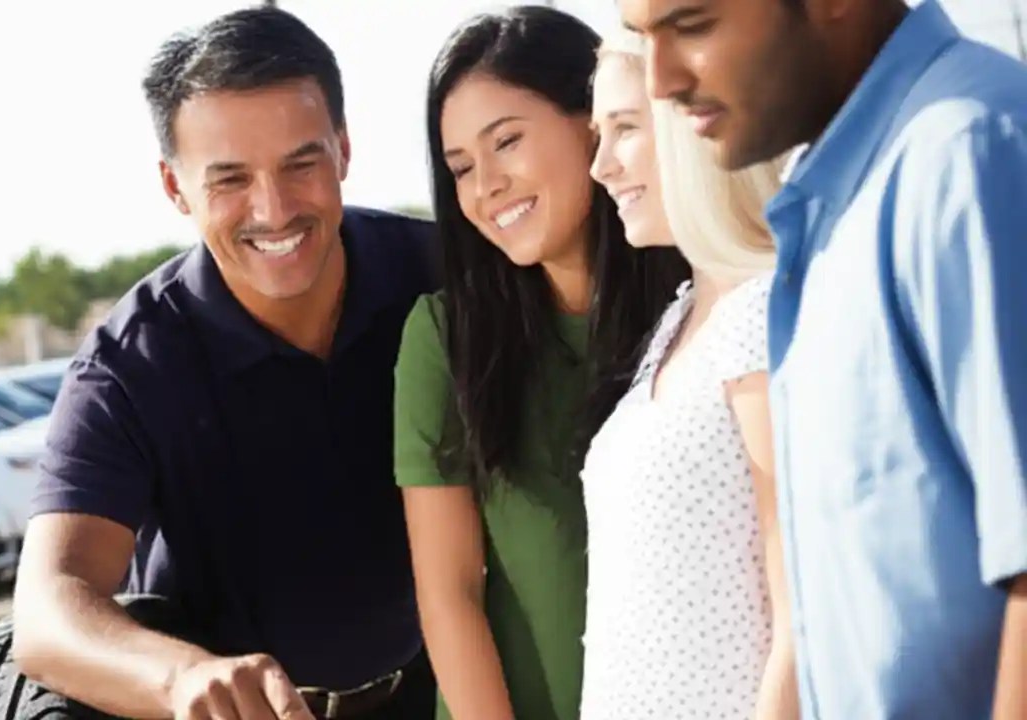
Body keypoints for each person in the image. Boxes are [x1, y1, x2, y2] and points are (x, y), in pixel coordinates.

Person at [7, 7, 440, 719]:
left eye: (301, 164)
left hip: (446, 695)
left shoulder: (441, 275)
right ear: (175, 188)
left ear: (344, 151)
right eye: (229, 179)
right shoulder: (128, 367)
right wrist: (181, 678)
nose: (274, 210)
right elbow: (49, 615)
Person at [617, 0, 1027, 717]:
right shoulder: (838, 203)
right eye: (643, 40)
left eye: (692, 25)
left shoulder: (969, 154)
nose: (660, 80)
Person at [392, 8, 690, 720]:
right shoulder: (446, 338)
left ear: (595, 119)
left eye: (508, 142)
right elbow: (449, 594)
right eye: (461, 168)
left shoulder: (703, 308)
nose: (487, 185)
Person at [579, 30, 797, 719]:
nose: (601, 166)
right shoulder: (678, 320)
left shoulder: (761, 310)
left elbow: (804, 610)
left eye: (624, 129)